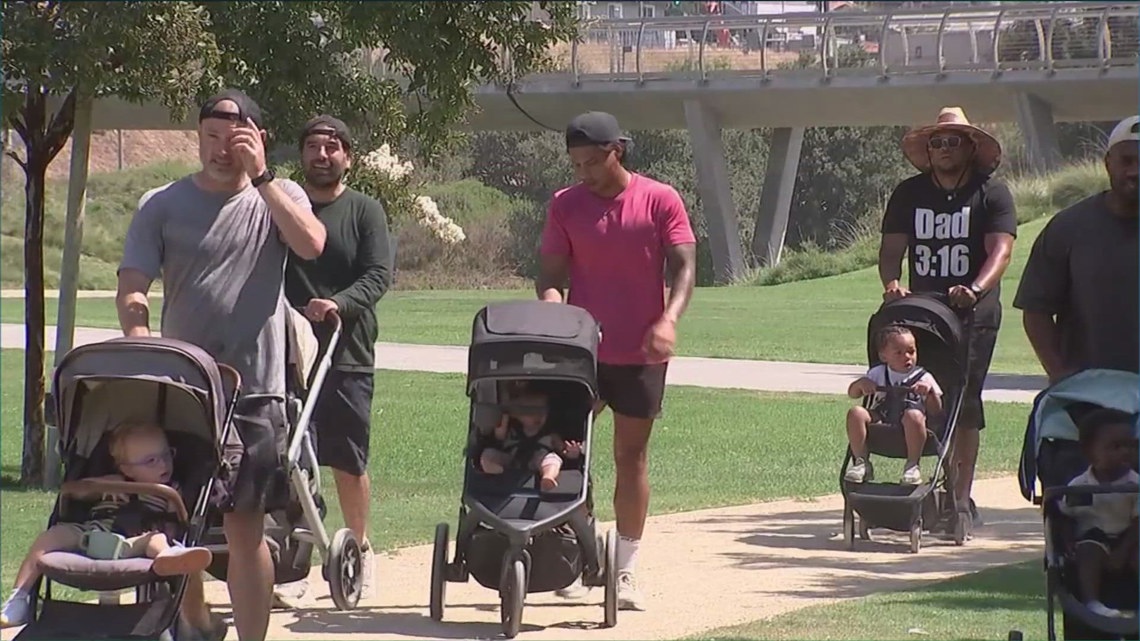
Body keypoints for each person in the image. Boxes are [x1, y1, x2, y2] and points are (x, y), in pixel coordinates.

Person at [116, 89, 326, 641]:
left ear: (255, 139)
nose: (219, 149)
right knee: (176, 521)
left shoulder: (280, 196)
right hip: (183, 389)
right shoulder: (161, 204)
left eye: (233, 139)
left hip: (255, 392)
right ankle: (196, 621)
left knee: (245, 529)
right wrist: (138, 337)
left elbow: (311, 244)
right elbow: (133, 285)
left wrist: (263, 180)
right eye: (210, 136)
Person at [537, 111, 697, 611]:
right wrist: (552, 310)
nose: (582, 172)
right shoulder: (565, 205)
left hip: (640, 352)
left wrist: (669, 318)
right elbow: (550, 276)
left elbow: (686, 266)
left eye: (590, 162)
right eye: (575, 163)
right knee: (566, 454)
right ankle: (581, 556)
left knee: (631, 457)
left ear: (617, 152)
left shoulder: (660, 199)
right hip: (581, 353)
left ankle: (624, 570)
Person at [878, 106, 1017, 527]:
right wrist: (892, 284)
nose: (943, 148)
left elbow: (1001, 251)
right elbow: (890, 251)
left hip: (974, 316)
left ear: (971, 147)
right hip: (923, 317)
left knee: (965, 403)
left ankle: (959, 497)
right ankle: (924, 484)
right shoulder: (909, 194)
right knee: (924, 395)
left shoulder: (992, 193)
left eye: (952, 140)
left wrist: (974, 289)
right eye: (936, 142)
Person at [283, 115, 393, 603]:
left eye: (331, 148)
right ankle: (297, 564)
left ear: (347, 157)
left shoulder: (365, 211)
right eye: (312, 147)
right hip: (286, 355)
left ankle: (358, 550)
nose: (321, 156)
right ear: (301, 155)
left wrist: (339, 304)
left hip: (346, 353)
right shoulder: (284, 209)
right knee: (292, 463)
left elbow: (378, 275)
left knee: (347, 461)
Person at [1, 422, 218, 637]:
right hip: (91, 535)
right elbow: (74, 491)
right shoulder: (111, 481)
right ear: (125, 468)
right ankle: (18, 598)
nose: (163, 464)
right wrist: (102, 484)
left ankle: (170, 557)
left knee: (157, 539)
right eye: (151, 460)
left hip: (135, 542)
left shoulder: (171, 489)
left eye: (167, 455)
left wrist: (173, 510)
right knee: (50, 537)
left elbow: (179, 517)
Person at [1013, 115, 1139, 380]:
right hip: (1091, 393)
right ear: (1108, 163)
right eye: (1126, 161)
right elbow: (1036, 310)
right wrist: (1060, 374)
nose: (1135, 171)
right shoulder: (1067, 228)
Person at [1059, 408, 1139, 618]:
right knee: (1087, 550)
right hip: (1094, 537)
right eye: (1115, 447)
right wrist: (1066, 541)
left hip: (1129, 537)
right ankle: (1093, 603)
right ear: (1089, 452)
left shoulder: (1135, 483)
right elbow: (1066, 515)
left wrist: (1122, 551)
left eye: (1131, 446)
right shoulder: (1080, 486)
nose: (1125, 452)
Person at [845, 326, 943, 485]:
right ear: (884, 356)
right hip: (882, 418)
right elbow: (852, 394)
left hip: (912, 426)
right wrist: (860, 384)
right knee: (856, 412)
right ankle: (861, 462)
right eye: (899, 353)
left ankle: (912, 465)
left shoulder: (924, 377)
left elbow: (936, 411)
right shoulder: (878, 373)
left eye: (911, 351)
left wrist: (929, 393)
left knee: (914, 416)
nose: (907, 357)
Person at [475, 381, 583, 491]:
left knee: (553, 459)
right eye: (532, 412)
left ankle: (548, 477)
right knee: (488, 455)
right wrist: (505, 415)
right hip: (512, 461)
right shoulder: (512, 430)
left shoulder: (550, 434)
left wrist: (571, 453)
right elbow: (498, 436)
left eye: (542, 411)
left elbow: (562, 449)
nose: (539, 416)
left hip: (538, 460)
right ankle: (499, 474)